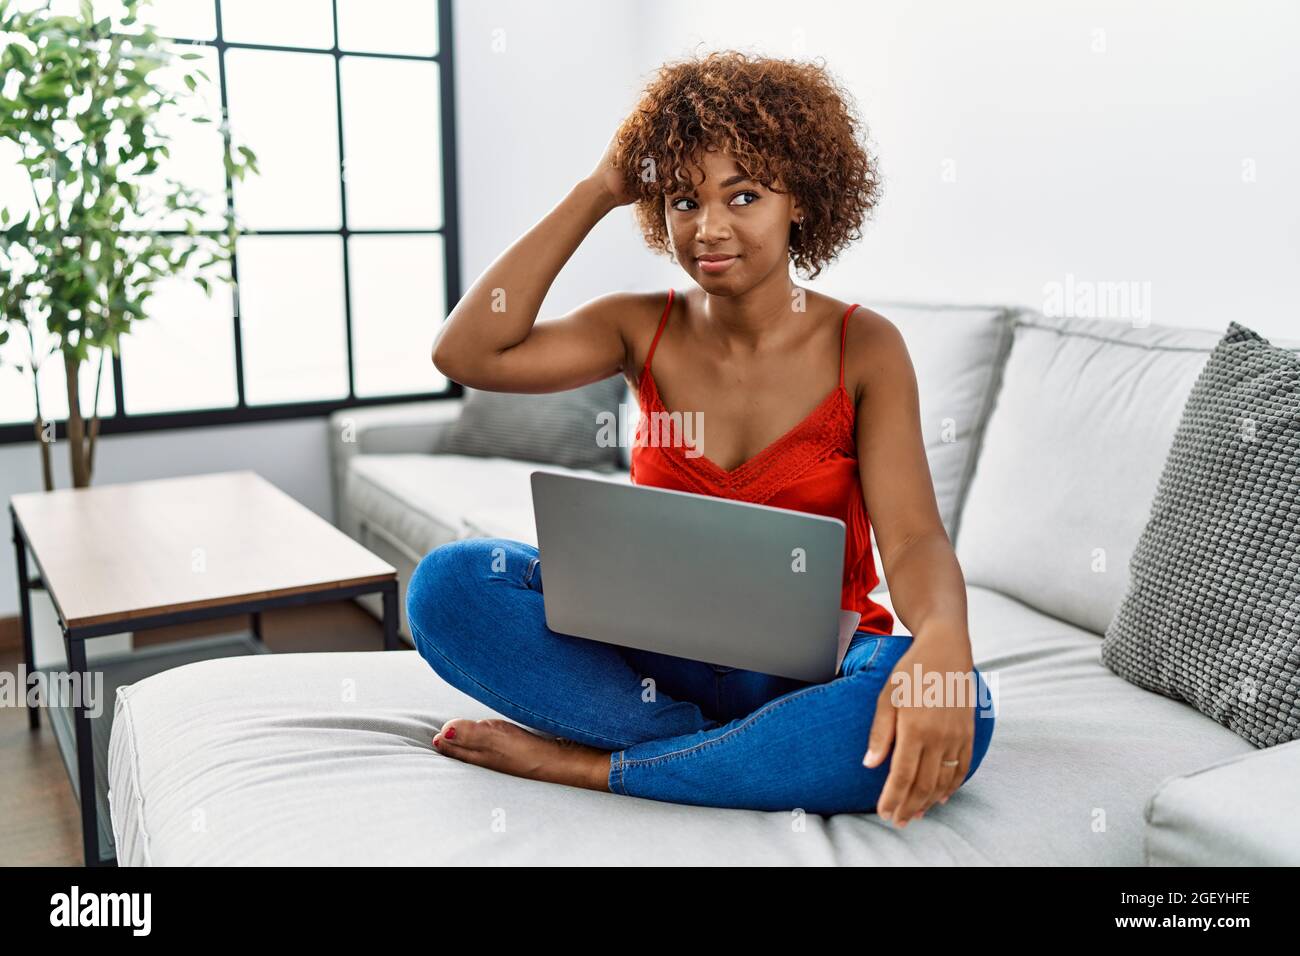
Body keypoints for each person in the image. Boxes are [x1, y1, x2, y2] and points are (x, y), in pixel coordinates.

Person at [406, 50, 995, 823]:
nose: (709, 228)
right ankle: (730, 755)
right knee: (447, 585)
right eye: (684, 200)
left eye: (743, 195)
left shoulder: (867, 348)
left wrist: (944, 637)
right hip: (645, 659)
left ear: (803, 204)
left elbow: (913, 542)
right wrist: (597, 190)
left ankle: (592, 766)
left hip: (807, 673)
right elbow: (467, 353)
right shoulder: (637, 326)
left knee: (966, 710)